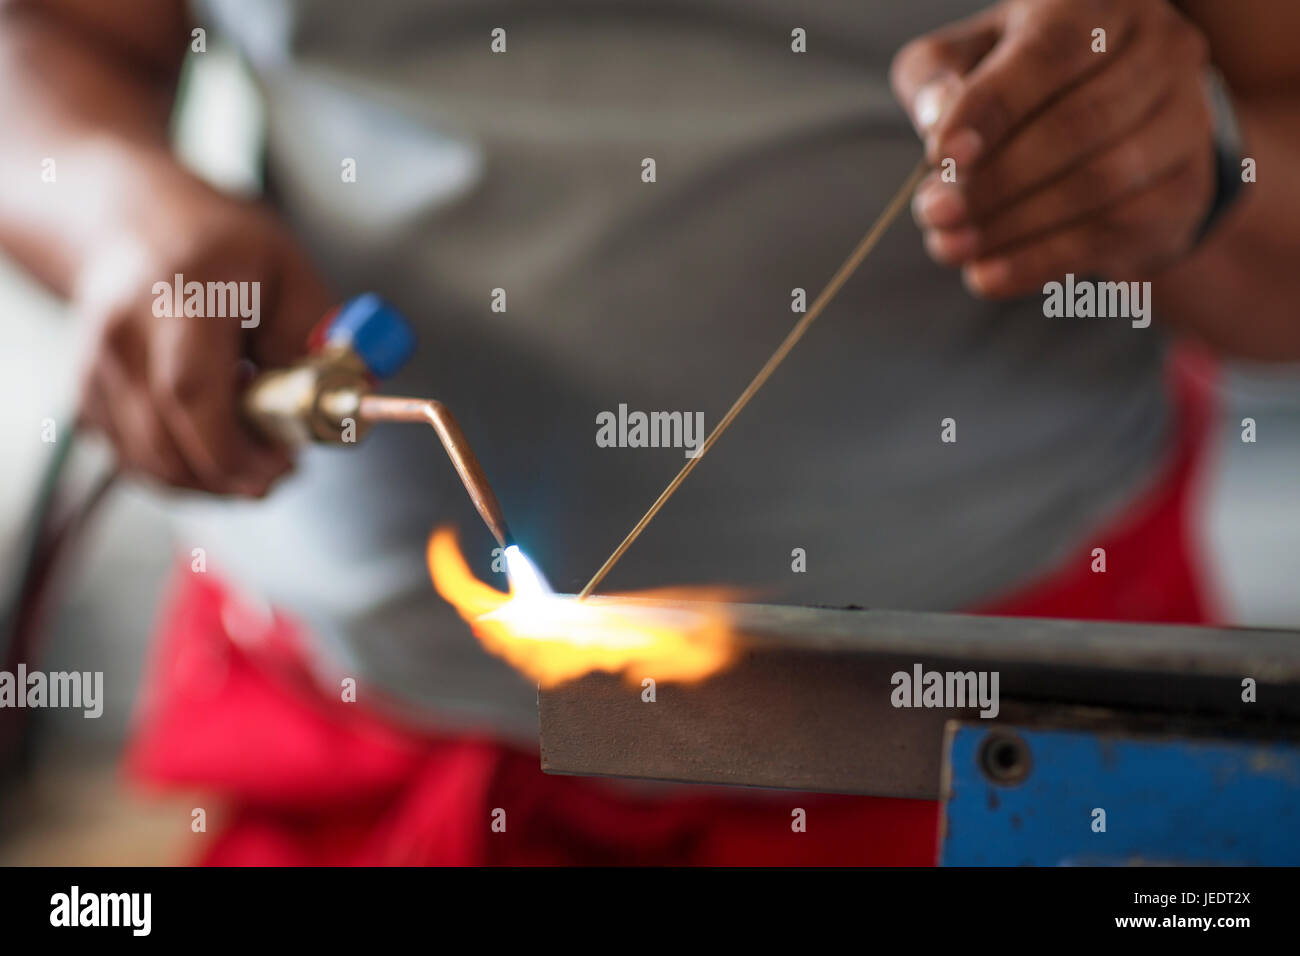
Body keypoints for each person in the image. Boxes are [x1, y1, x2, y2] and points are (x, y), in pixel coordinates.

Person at [1, 0, 1297, 865]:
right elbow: (50, 39)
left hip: (989, 772)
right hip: (355, 743)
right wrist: (123, 218)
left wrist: (1195, 175)